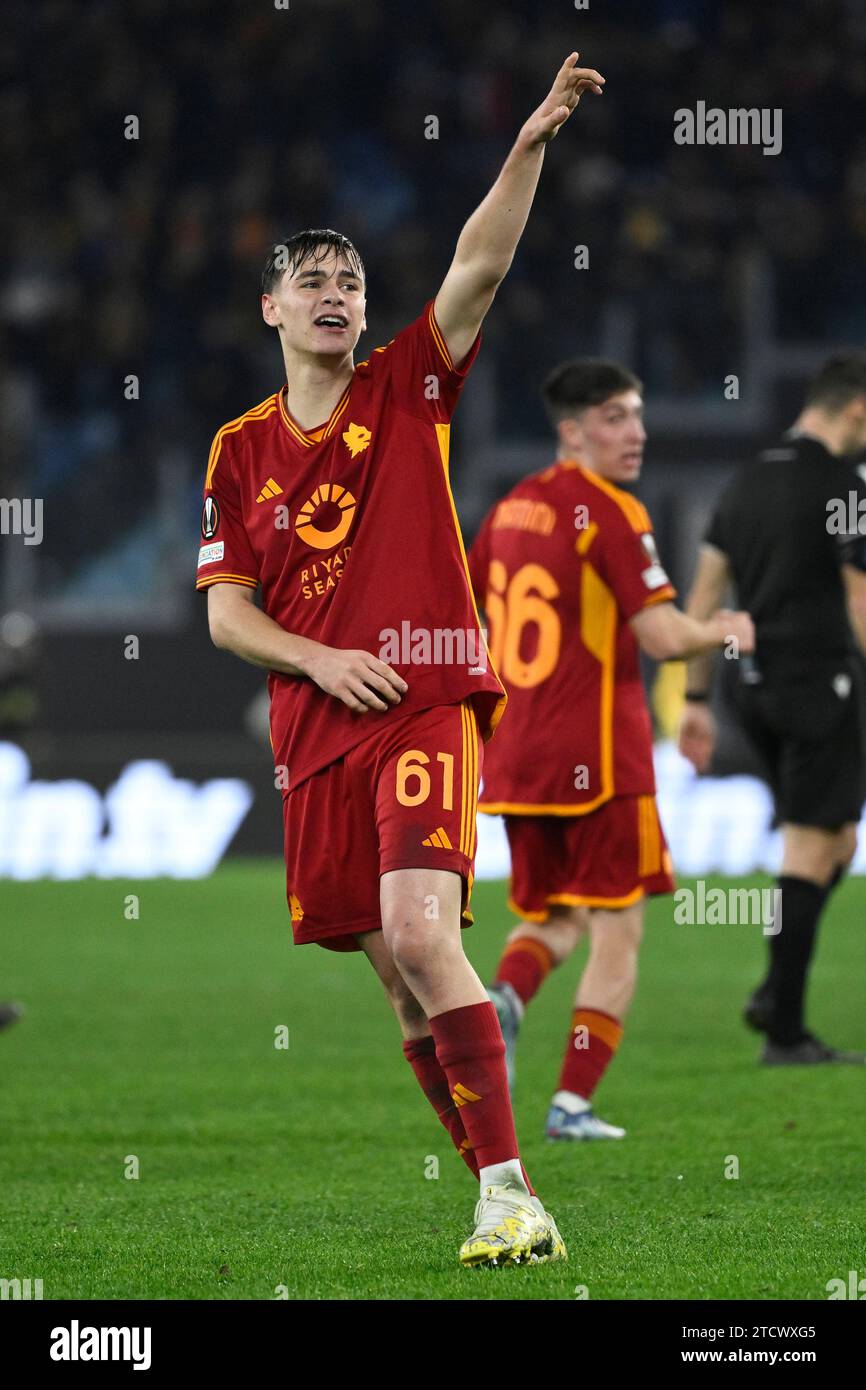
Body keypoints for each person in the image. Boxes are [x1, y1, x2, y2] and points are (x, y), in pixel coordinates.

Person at [196, 54, 608, 1267]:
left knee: (426, 939)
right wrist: (318, 660)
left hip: (426, 698)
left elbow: (479, 261)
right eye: (310, 281)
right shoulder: (238, 450)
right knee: (395, 980)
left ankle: (507, 1194)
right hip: (317, 734)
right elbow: (227, 611)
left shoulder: (408, 384)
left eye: (349, 281)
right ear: (269, 309)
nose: (334, 294)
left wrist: (526, 143)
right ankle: (504, 1190)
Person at [468, 359, 754, 1137]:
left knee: (554, 916)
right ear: (572, 430)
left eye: (637, 415)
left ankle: (504, 1001)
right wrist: (724, 631)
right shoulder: (612, 513)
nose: (637, 433)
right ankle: (571, 1105)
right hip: (598, 758)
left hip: (517, 760)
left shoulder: (506, 513)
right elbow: (663, 635)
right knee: (619, 931)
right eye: (616, 418)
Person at [678, 353, 866, 1065]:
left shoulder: (746, 481)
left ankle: (775, 993)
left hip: (748, 686)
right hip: (819, 682)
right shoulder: (844, 484)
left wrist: (695, 699)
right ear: (855, 409)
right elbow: (858, 599)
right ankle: (784, 1027)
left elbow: (703, 600)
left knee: (836, 840)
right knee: (813, 846)